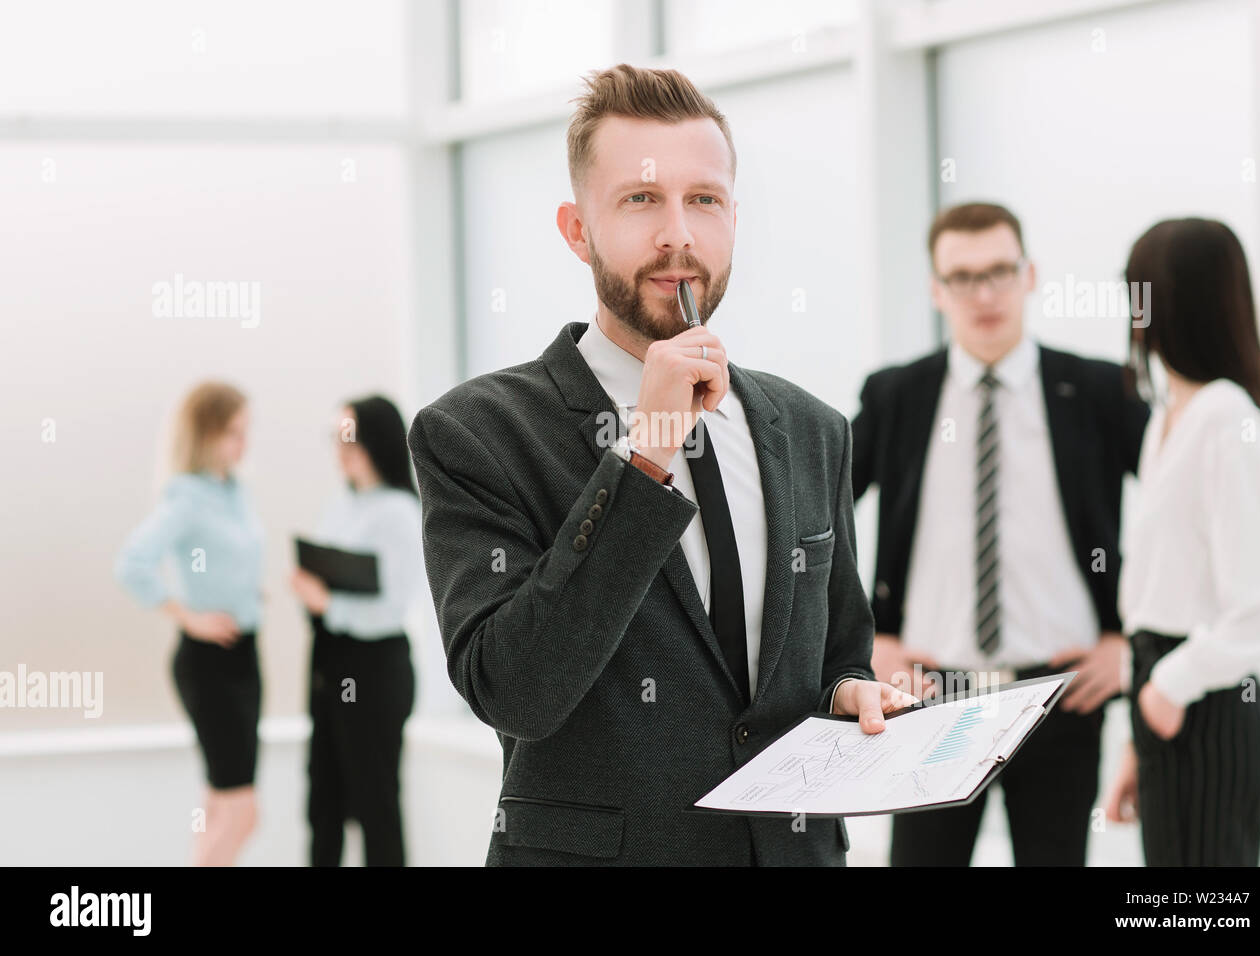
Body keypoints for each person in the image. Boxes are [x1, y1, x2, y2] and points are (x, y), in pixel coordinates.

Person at [407, 63, 915, 866]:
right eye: (641, 199)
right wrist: (646, 452)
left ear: (734, 221)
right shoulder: (477, 434)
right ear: (578, 230)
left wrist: (847, 694)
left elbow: (836, 656)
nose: (677, 232)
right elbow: (516, 691)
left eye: (703, 200)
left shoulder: (814, 429)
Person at [850, 202, 1151, 865]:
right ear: (936, 289)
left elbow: (1180, 518)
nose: (982, 294)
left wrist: (1132, 643)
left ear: (1029, 274)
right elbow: (811, 515)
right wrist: (864, 637)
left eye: (998, 272)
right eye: (961, 277)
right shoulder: (899, 394)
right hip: (931, 699)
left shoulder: (1100, 390)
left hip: (1060, 695)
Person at [1102, 218, 1260, 865]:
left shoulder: (1225, 418)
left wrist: (1169, 688)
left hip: (1207, 712)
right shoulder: (1169, 416)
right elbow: (1158, 593)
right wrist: (1139, 735)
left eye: (1139, 292)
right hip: (1168, 706)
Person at [115, 381, 264, 866]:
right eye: (233, 433)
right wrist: (189, 618)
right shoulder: (187, 497)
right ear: (205, 435)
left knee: (221, 807)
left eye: (246, 431)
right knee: (243, 815)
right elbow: (133, 564)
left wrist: (243, 591)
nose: (244, 443)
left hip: (243, 655)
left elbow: (225, 558)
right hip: (210, 664)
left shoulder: (231, 491)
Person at [291, 396, 422, 866]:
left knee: (375, 803)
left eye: (349, 436)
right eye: (336, 437)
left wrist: (326, 602)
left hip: (374, 672)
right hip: (330, 663)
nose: (341, 448)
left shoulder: (400, 514)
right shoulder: (343, 504)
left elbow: (390, 609)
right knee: (322, 799)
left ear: (376, 441)